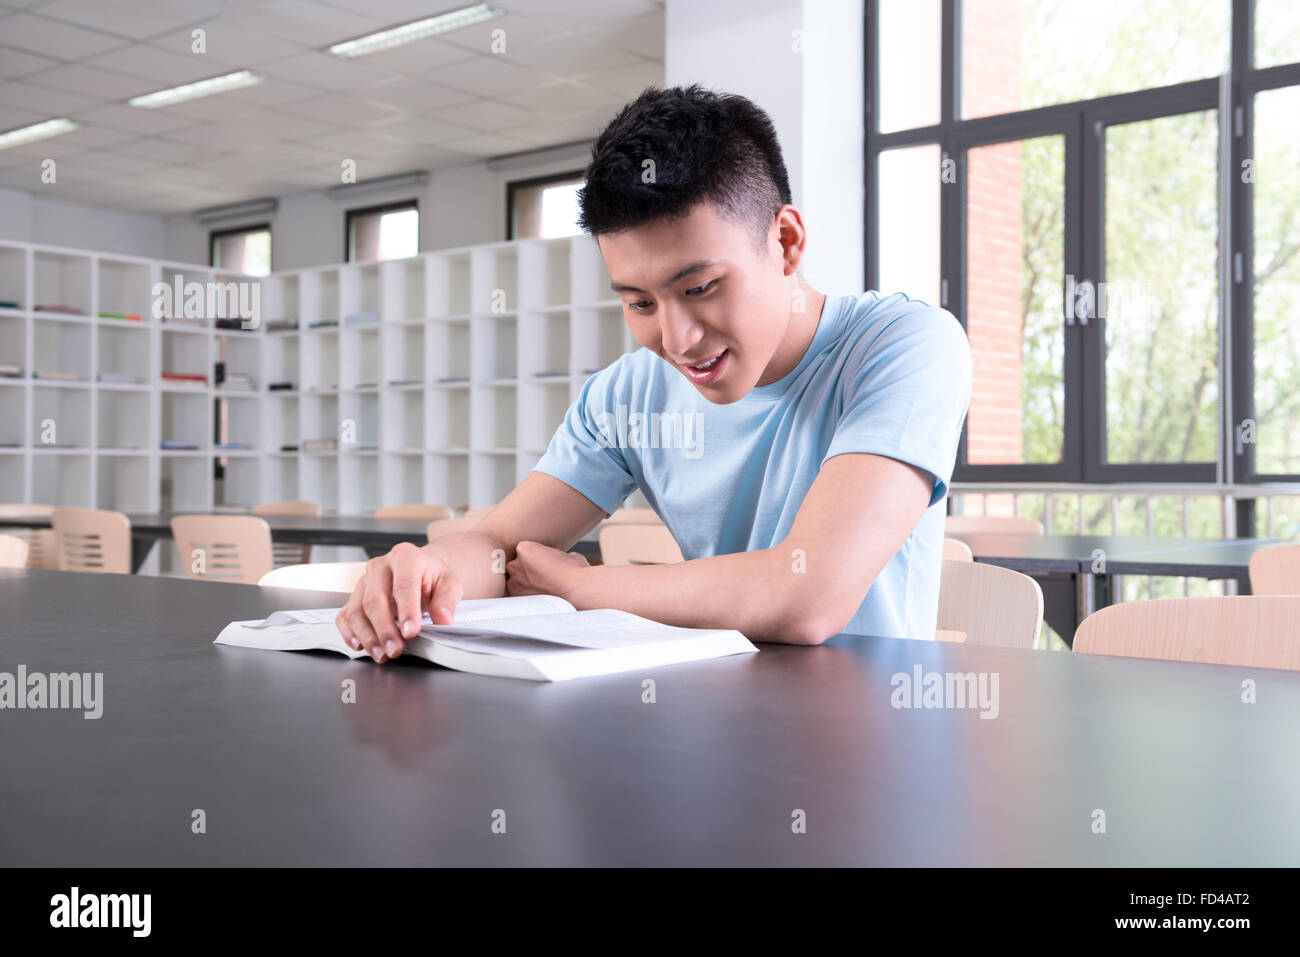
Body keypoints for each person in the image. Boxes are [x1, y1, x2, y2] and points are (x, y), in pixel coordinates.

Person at [337, 84, 971, 661]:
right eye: (638, 303)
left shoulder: (906, 346)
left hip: (870, 749)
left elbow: (808, 599)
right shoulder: (625, 394)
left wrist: (584, 587)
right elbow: (501, 547)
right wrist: (428, 567)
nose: (677, 341)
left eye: (699, 287)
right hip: (712, 719)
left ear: (785, 241)